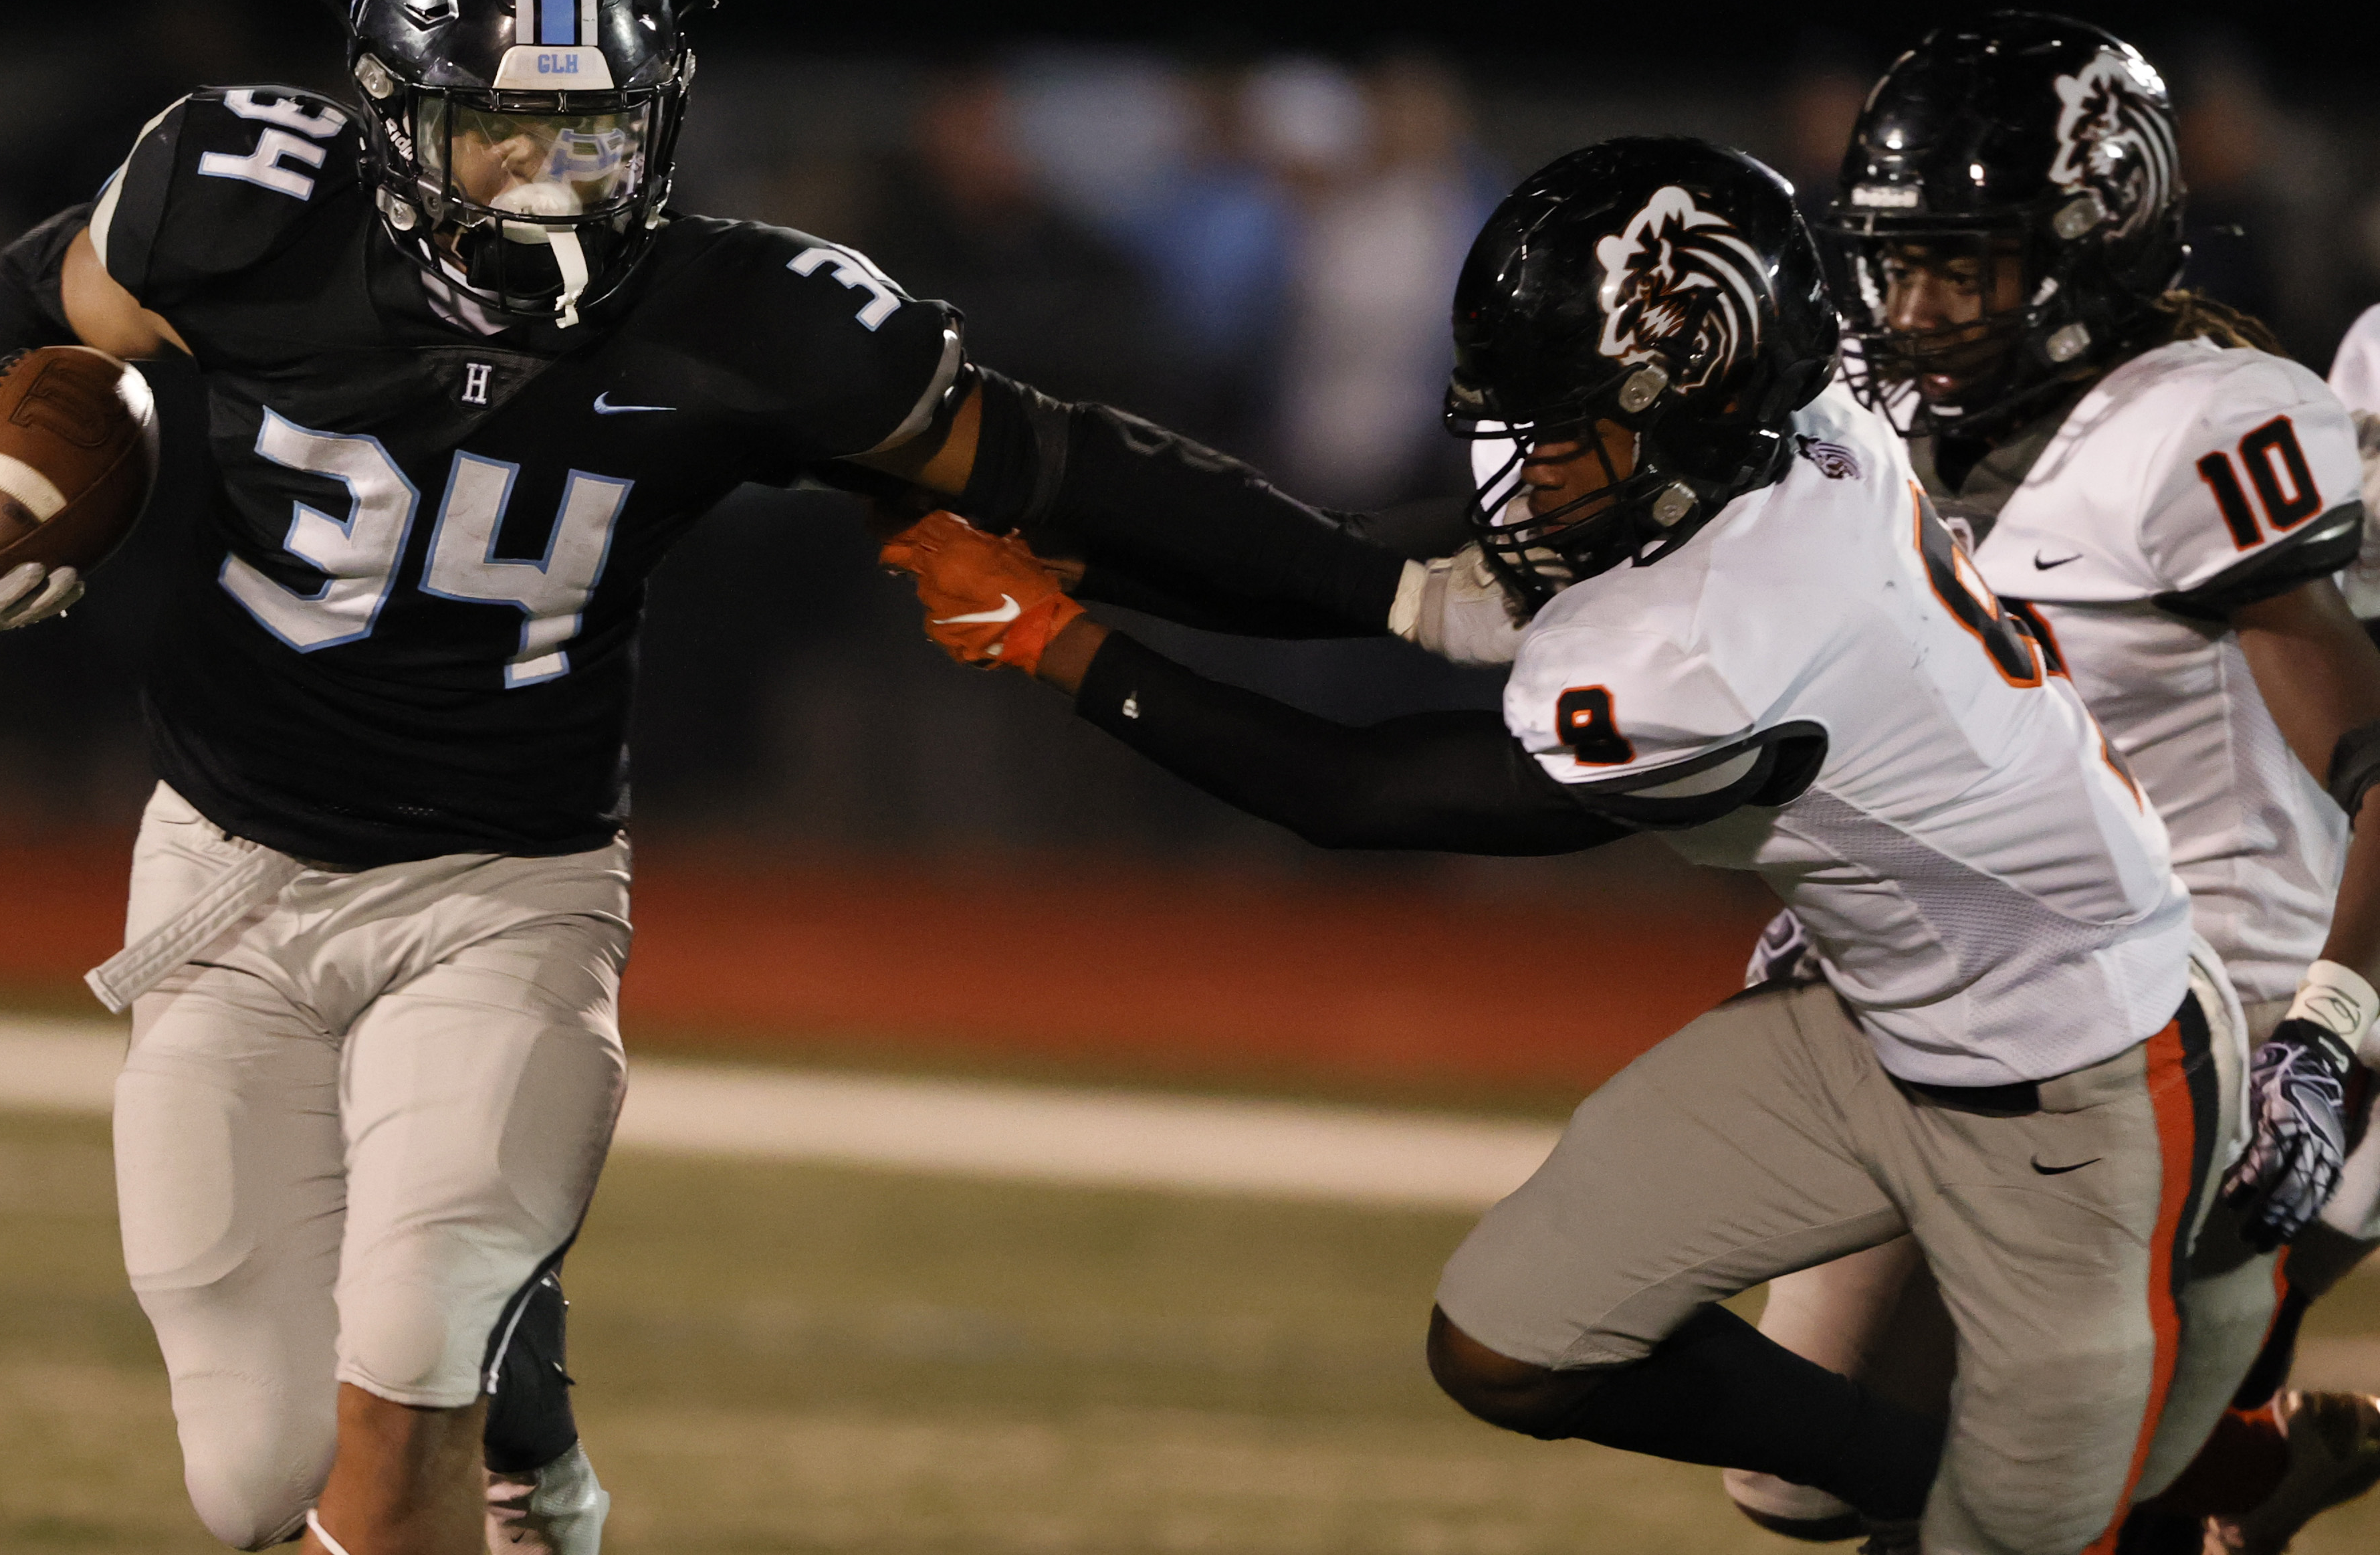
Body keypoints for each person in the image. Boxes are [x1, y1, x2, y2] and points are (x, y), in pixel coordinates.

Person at [0, 0, 1408, 1555]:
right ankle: (529, 1406)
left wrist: (1383, 587)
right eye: (499, 138)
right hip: (226, 878)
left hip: (503, 897)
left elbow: (1061, 469)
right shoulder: (234, 203)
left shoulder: (747, 317)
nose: (546, 188)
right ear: (385, 124)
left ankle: (501, 1398)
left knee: (408, 1363)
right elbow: (42, 296)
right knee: (248, 1476)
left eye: (588, 135)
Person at [880, 136, 2266, 1554]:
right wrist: (1096, 563)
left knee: (2021, 1545)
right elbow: (1386, 570)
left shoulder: (1727, 637)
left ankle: (2129, 1500)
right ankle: (1982, 1482)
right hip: (1877, 1012)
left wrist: (1055, 642)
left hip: (2089, 1082)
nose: (1524, 473)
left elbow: (1359, 792)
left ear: (1704, 402)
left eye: (1563, 430)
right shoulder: (1795, 436)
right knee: (1514, 1339)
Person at [1721, 13, 2380, 1555]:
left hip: (2244, 1001)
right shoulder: (1872, 433)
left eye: (1970, 265)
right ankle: (2239, 1465)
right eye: (1901, 263)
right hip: (2017, 991)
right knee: (1797, 1464)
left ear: (2091, 249)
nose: (1922, 308)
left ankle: (2190, 1458)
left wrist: (2337, 1034)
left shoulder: (2194, 430)